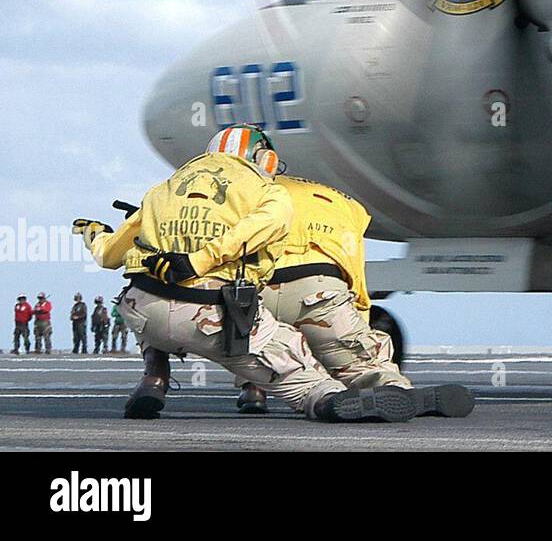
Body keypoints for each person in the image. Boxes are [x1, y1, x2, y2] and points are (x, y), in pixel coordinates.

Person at [73, 123, 431, 422]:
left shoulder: (162, 191)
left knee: (152, 295)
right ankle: (330, 396)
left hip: (143, 312)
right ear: (266, 160)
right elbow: (268, 227)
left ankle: (155, 375)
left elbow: (108, 255)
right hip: (210, 313)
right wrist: (200, 261)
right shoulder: (269, 191)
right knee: (286, 355)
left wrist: (95, 233)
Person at [231, 174, 472, 418]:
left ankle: (263, 392)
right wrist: (358, 320)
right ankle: (393, 386)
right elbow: (354, 269)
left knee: (258, 344)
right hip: (320, 289)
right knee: (361, 364)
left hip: (262, 289)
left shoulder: (245, 192)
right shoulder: (346, 205)